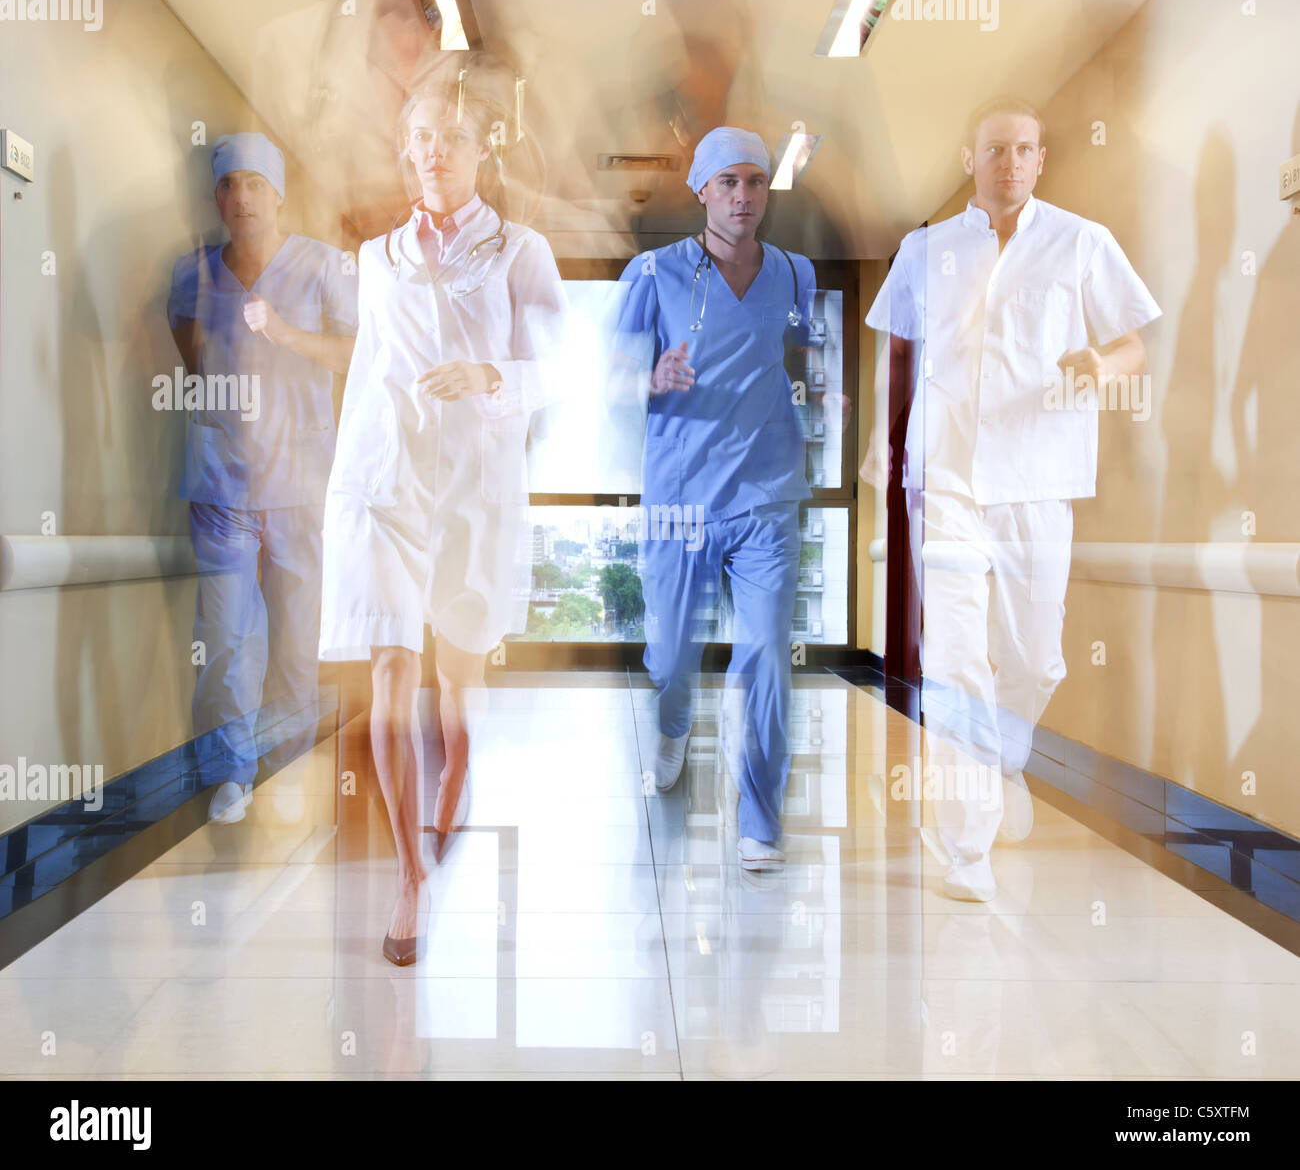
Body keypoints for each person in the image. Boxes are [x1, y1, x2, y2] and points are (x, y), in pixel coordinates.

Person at [865, 97, 1161, 900]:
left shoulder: (1081, 242)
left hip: (1040, 478)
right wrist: (885, 466)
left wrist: (1103, 367)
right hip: (948, 482)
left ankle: (1003, 764)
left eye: (1025, 150)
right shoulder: (924, 251)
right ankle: (965, 850)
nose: (1011, 162)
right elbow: (900, 361)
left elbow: (1134, 342)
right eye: (996, 148)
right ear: (971, 158)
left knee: (1035, 658)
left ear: (1039, 161)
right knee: (959, 661)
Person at [318, 77, 565, 966]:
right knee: (391, 664)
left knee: (457, 677)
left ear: (483, 150)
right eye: (420, 136)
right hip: (386, 488)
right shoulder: (375, 258)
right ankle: (411, 876)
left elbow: (552, 369)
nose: (433, 151)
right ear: (405, 147)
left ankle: (459, 764)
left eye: (453, 137)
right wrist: (347, 492)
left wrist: (490, 375)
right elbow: (367, 377)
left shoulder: (518, 251)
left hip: (473, 489)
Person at [615, 126, 817, 872]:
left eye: (755, 182)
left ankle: (759, 819)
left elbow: (804, 357)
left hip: (765, 497)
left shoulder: (795, 274)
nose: (742, 196)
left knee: (765, 656)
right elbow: (608, 378)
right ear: (700, 190)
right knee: (672, 658)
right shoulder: (653, 274)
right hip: (679, 500)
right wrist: (648, 380)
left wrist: (829, 395)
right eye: (727, 182)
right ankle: (672, 726)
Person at [167, 133, 358, 825]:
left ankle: (288, 767)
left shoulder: (325, 269)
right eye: (228, 185)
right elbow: (192, 352)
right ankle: (231, 774)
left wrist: (284, 334)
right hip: (222, 483)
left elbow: (357, 356)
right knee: (225, 637)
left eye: (254, 183)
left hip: (303, 482)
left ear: (278, 193)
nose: (240, 197)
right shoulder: (191, 277)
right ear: (215, 196)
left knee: (297, 639)